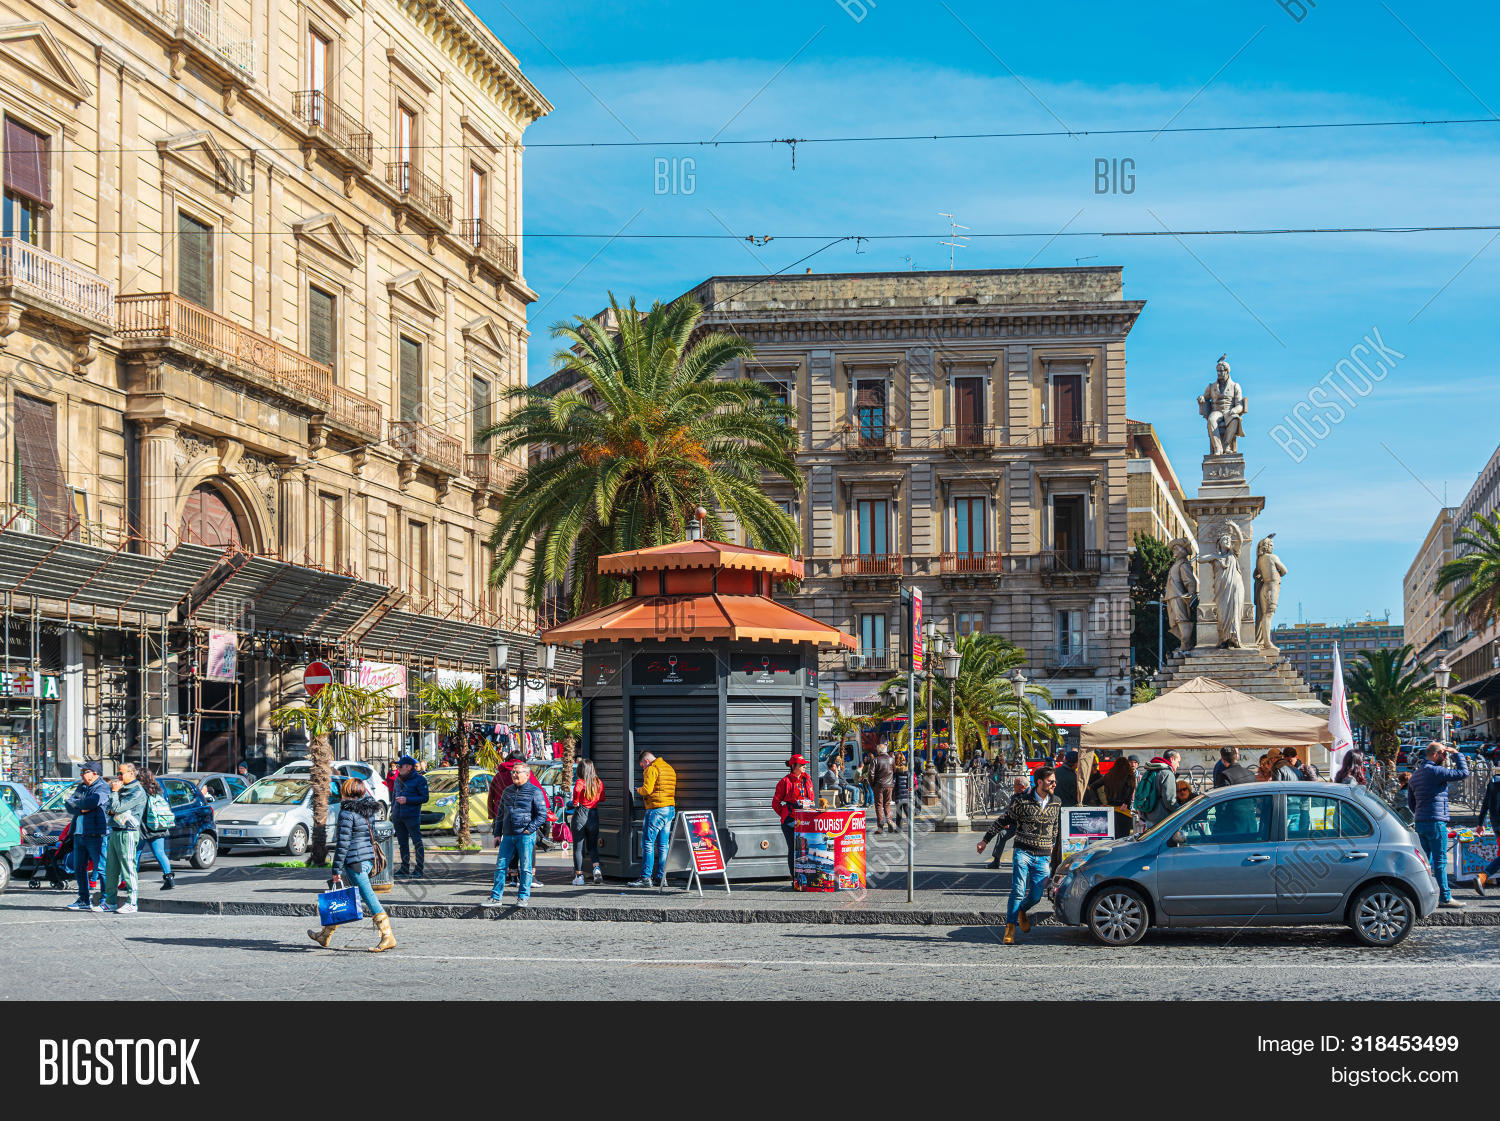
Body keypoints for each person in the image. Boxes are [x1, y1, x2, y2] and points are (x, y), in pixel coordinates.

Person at [978, 765, 1061, 944]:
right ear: (1040, 782)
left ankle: (1022, 910)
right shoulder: (1022, 801)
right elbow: (1003, 820)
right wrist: (985, 840)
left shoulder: (1056, 802)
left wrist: (1053, 845)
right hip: (1023, 851)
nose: (1054, 783)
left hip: (1043, 854)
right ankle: (1010, 928)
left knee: (1037, 895)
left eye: (1054, 781)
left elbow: (1054, 825)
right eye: (1050, 781)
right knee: (1018, 890)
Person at [310, 778, 395, 951]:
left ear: (346, 792)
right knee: (340, 898)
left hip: (354, 862)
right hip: (367, 860)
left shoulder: (347, 813)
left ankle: (388, 936)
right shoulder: (368, 810)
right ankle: (325, 934)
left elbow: (344, 843)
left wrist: (336, 869)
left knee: (369, 898)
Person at [1406, 741, 1469, 909]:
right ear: (1436, 755)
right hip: (1435, 822)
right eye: (1443, 754)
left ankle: (1421, 895)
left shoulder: (1416, 775)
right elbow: (1463, 773)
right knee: (1440, 862)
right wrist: (1457, 754)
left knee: (1424, 862)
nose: (1445, 757)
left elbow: (1411, 804)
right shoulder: (1436, 771)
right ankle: (1445, 897)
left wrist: (1422, 814)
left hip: (1420, 823)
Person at [483, 760, 550, 907]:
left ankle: (523, 898)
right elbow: (500, 813)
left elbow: (542, 815)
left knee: (525, 868)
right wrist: (497, 833)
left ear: (526, 775)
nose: (513, 774)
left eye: (517, 772)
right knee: (501, 866)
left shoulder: (535, 791)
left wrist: (530, 829)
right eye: (513, 772)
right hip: (508, 834)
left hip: (525, 835)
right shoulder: (507, 791)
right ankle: (495, 897)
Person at [101, 762, 146, 914]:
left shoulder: (137, 791)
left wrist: (114, 794)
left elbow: (116, 808)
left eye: (121, 773)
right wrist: (115, 804)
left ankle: (132, 902)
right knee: (111, 869)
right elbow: (109, 809)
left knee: (128, 868)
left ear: (131, 773)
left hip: (128, 832)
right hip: (115, 830)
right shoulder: (121, 789)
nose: (118, 776)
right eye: (118, 773)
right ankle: (110, 902)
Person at [65, 761, 110, 912]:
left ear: (94, 773)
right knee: (79, 868)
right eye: (82, 771)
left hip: (95, 834)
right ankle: (83, 899)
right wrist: (80, 809)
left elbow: (93, 802)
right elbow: (68, 804)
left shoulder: (103, 787)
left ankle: (106, 900)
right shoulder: (81, 787)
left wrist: (80, 805)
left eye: (84, 771)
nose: (81, 774)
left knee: (102, 868)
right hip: (79, 834)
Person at [630, 750, 676, 888]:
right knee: (663, 846)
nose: (643, 768)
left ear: (646, 761)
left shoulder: (651, 769)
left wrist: (638, 790)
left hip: (656, 810)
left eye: (642, 765)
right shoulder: (669, 768)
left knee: (647, 844)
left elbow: (647, 789)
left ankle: (645, 877)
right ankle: (661, 878)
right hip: (669, 809)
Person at [772, 754, 816, 880]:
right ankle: (795, 878)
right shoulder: (785, 782)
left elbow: (812, 798)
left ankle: (807, 876)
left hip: (806, 819)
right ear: (793, 766)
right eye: (801, 765)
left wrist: (809, 804)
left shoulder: (807, 779)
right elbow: (775, 803)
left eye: (804, 764)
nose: (804, 766)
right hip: (790, 821)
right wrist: (786, 813)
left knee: (807, 849)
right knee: (794, 849)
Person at [134, 768, 175, 890]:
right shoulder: (158, 789)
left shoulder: (139, 790)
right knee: (160, 853)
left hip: (143, 827)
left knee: (135, 854)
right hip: (157, 825)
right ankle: (169, 878)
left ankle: (131, 881)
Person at [391, 754, 428, 878]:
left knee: (417, 842)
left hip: (411, 815)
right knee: (402, 843)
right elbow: (394, 795)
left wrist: (407, 800)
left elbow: (424, 798)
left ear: (409, 767)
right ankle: (404, 868)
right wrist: (393, 811)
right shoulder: (397, 779)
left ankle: (419, 869)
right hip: (398, 816)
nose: (398, 768)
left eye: (400, 765)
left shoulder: (420, 780)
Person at [570, 758, 605, 886]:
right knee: (592, 846)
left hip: (581, 813)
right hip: (593, 814)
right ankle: (596, 869)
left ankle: (579, 877)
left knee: (578, 848)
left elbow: (577, 791)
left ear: (580, 770)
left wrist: (575, 802)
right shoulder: (599, 782)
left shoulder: (580, 782)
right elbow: (602, 798)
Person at [984, 777, 1028, 868]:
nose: (1013, 787)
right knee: (1002, 834)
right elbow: (1009, 812)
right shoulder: (1014, 796)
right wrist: (1007, 822)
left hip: (1026, 825)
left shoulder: (1031, 796)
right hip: (1014, 823)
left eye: (1015, 785)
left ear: (1022, 786)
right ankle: (996, 860)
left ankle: (1027, 862)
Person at [1473, 763, 1500, 896]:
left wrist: (1480, 823)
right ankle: (1483, 876)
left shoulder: (1494, 781)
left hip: (1496, 823)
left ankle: (1483, 877)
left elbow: (1485, 803)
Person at [1135, 751, 1180, 827]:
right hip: (1163, 819)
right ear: (1172, 759)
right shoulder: (1167, 773)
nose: (1178, 765)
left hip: (1149, 817)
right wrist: (1180, 811)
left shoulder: (1150, 771)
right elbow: (1170, 800)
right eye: (1178, 761)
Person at [1100, 754, 1138, 838]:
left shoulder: (1109, 776)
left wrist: (1099, 802)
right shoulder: (1129, 776)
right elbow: (1130, 791)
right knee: (1124, 838)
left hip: (1110, 810)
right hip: (1124, 810)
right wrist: (1125, 803)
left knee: (1112, 838)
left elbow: (1093, 787)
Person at [868, 742, 895, 833]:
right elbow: (894, 771)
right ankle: (889, 820)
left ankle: (880, 826)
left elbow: (871, 774)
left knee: (879, 805)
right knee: (887, 804)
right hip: (889, 785)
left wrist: (872, 785)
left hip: (878, 785)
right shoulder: (891, 760)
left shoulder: (875, 760)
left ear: (878, 751)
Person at [893, 751, 911, 829]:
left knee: (899, 812)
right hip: (906, 793)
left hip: (898, 793)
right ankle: (911, 826)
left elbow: (894, 782)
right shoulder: (907, 770)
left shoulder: (895, 771)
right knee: (907, 811)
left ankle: (898, 828)